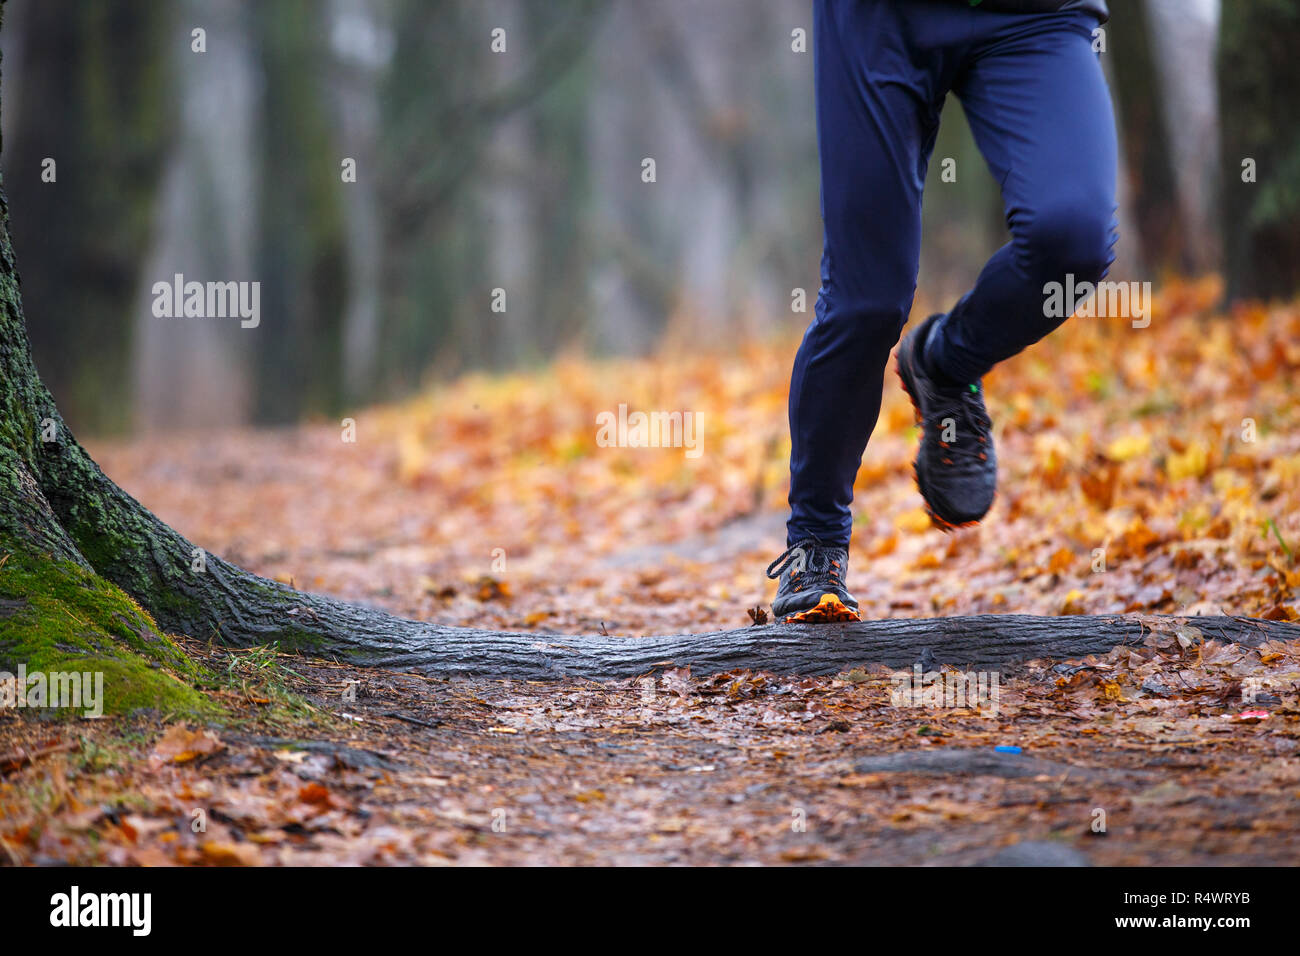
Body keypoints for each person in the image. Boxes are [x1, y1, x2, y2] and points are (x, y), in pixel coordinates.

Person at [767, 0, 1117, 623]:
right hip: (880, 21)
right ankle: (815, 544)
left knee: (1074, 242)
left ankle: (946, 363)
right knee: (867, 301)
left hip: (1034, 14)